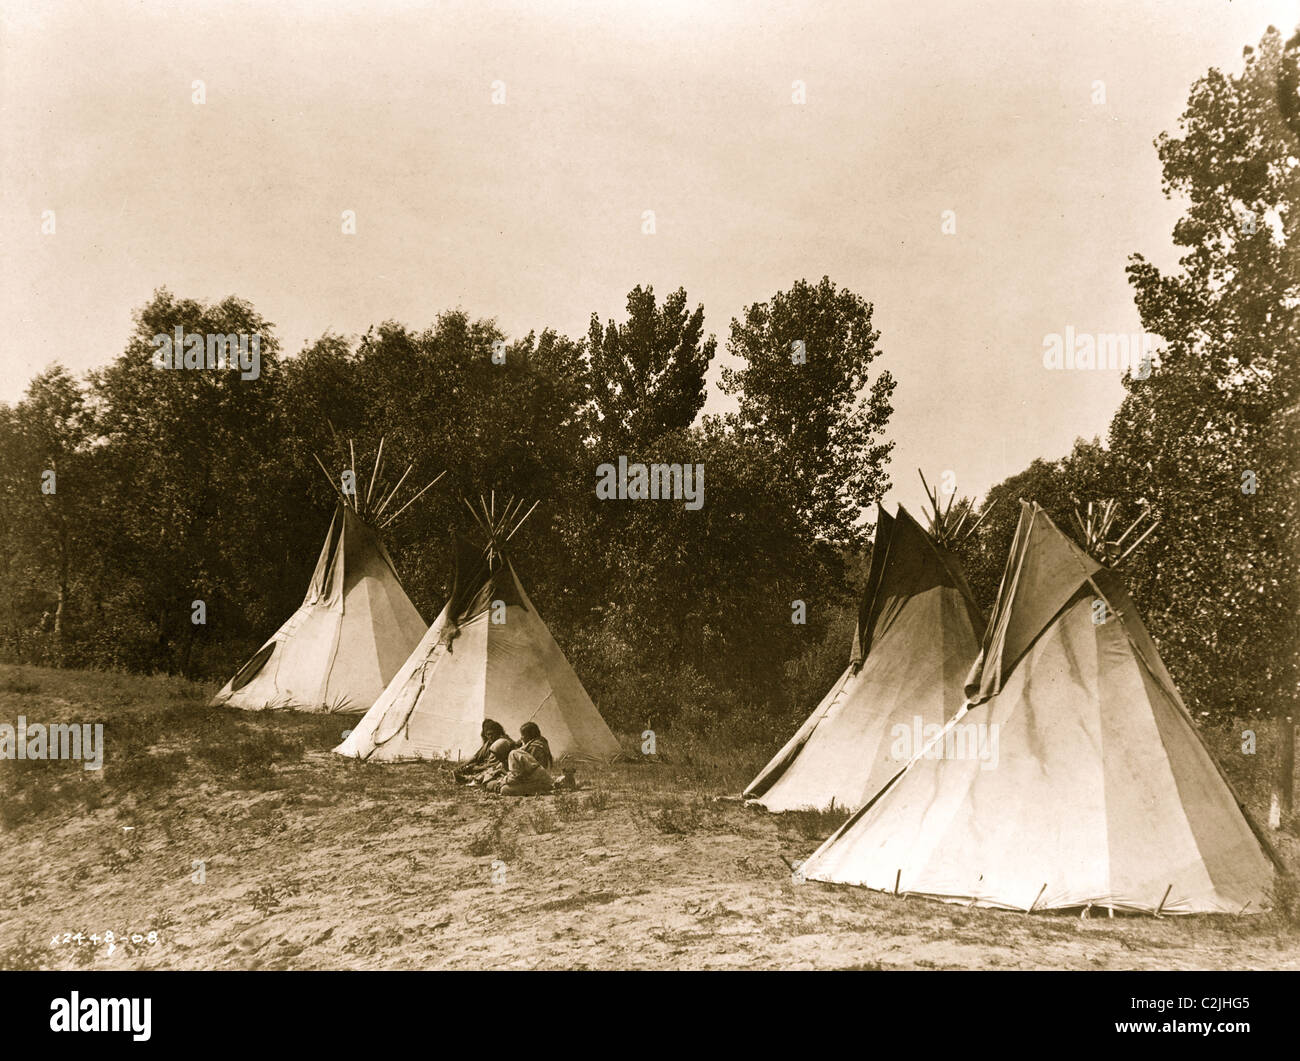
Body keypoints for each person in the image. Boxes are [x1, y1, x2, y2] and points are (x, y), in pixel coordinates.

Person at [484, 738, 555, 797]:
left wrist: (502, 780)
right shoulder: (516, 753)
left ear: (502, 751)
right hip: (538, 780)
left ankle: (541, 790)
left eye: (497, 755)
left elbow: (515, 778)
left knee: (504, 790)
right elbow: (519, 774)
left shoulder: (512, 755)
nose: (497, 758)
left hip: (539, 783)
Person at [453, 720, 511, 785]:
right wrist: (464, 764)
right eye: (488, 734)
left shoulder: (502, 743)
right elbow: (477, 756)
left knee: (490, 771)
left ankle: (469, 779)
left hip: (496, 767)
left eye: (492, 734)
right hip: (485, 766)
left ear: (497, 732)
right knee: (470, 767)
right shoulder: (488, 743)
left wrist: (480, 768)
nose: (490, 736)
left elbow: (496, 763)